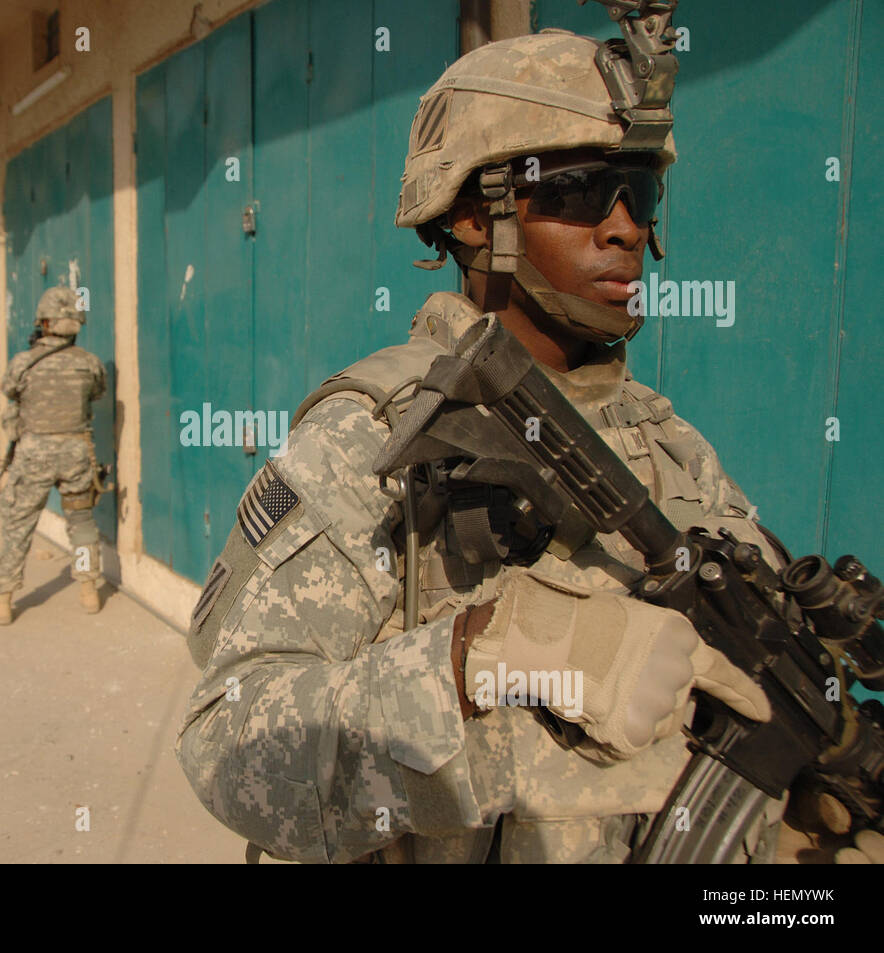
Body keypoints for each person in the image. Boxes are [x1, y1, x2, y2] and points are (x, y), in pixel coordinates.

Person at [175, 26, 791, 863]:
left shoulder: (670, 444)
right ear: (473, 215)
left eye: (639, 197)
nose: (623, 230)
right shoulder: (378, 438)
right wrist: (484, 656)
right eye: (579, 193)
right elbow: (231, 744)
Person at [0, 285, 107, 624]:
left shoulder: (23, 363)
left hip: (34, 454)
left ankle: (3, 598)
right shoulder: (90, 364)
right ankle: (88, 590)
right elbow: (97, 393)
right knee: (82, 523)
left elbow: (10, 391)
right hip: (77, 453)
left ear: (44, 322)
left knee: (20, 524)